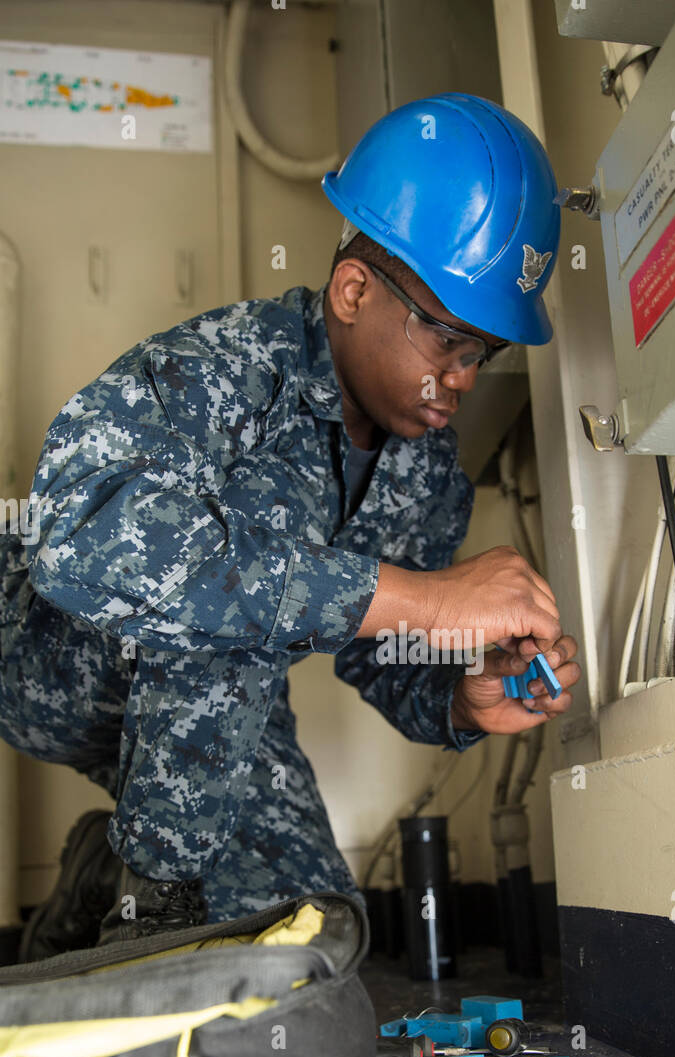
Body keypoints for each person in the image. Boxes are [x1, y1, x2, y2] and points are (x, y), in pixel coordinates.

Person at [2, 92, 580, 962]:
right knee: (235, 587)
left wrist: (460, 691)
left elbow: (380, 644)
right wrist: (421, 598)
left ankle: (101, 877)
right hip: (46, 652)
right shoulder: (225, 370)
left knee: (311, 946)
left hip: (207, 714)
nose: (461, 379)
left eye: (482, 355)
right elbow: (79, 537)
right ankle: (149, 905)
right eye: (448, 341)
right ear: (353, 291)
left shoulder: (423, 463)